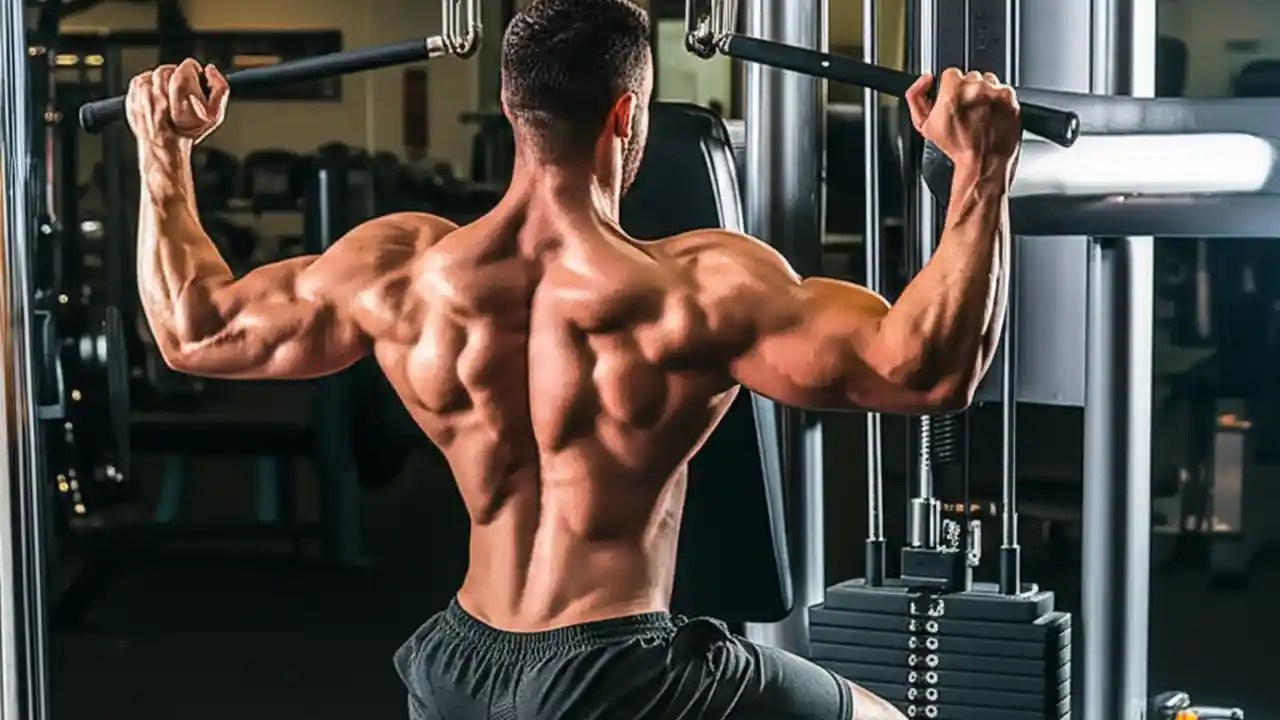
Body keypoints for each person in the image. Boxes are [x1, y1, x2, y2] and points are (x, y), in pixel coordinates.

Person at [124, 0, 1020, 717]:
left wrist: (162, 151)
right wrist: (980, 168)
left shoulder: (399, 271)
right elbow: (926, 370)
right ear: (627, 115)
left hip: (456, 667)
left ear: (512, 110)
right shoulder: (697, 290)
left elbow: (195, 329)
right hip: (624, 674)